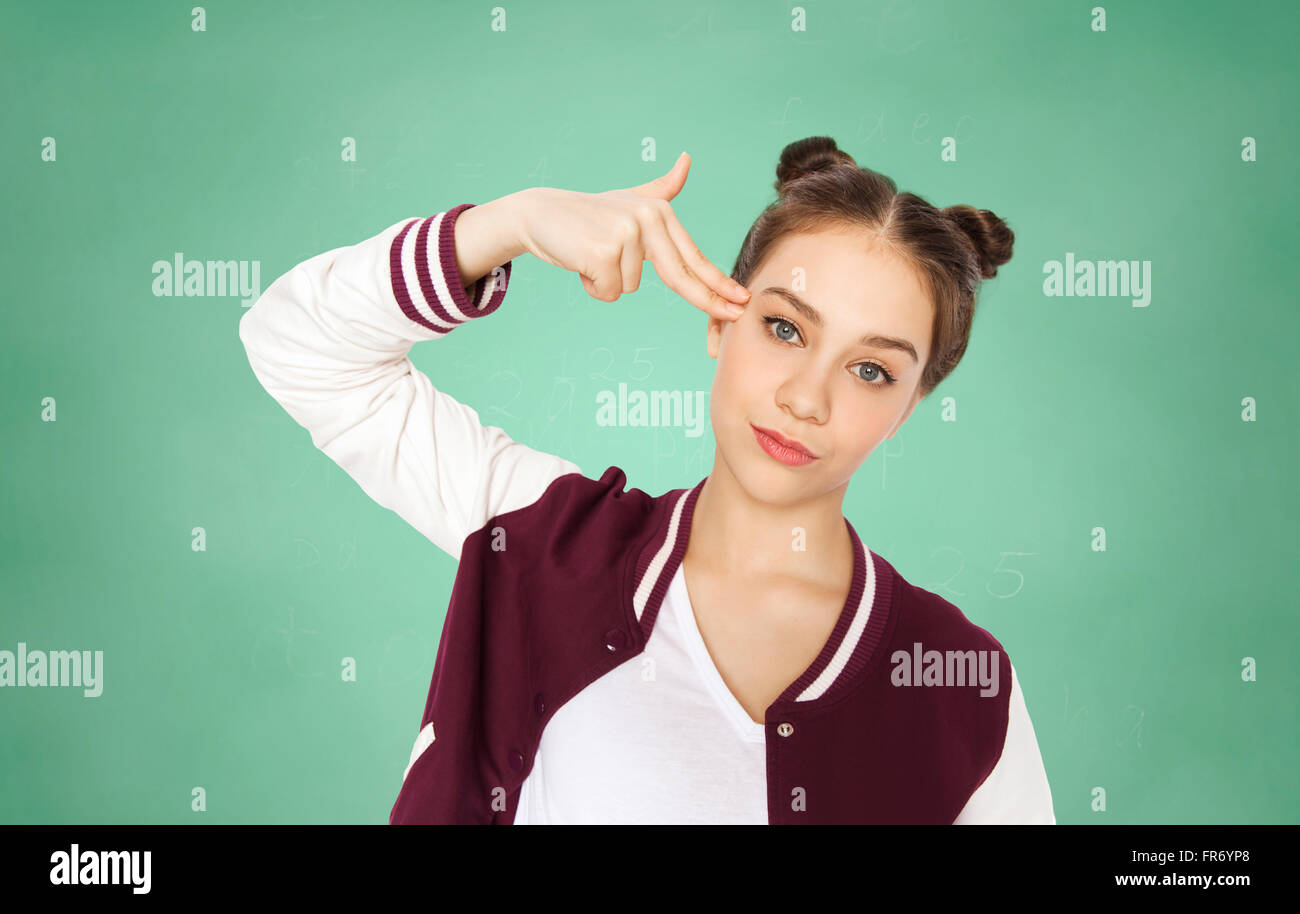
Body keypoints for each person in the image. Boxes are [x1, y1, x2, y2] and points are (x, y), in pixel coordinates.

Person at [239, 136, 1055, 824]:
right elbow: (296, 344)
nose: (806, 398)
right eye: (783, 328)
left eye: (872, 370)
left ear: (908, 409)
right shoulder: (540, 539)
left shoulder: (962, 683)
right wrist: (509, 223)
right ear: (717, 318)